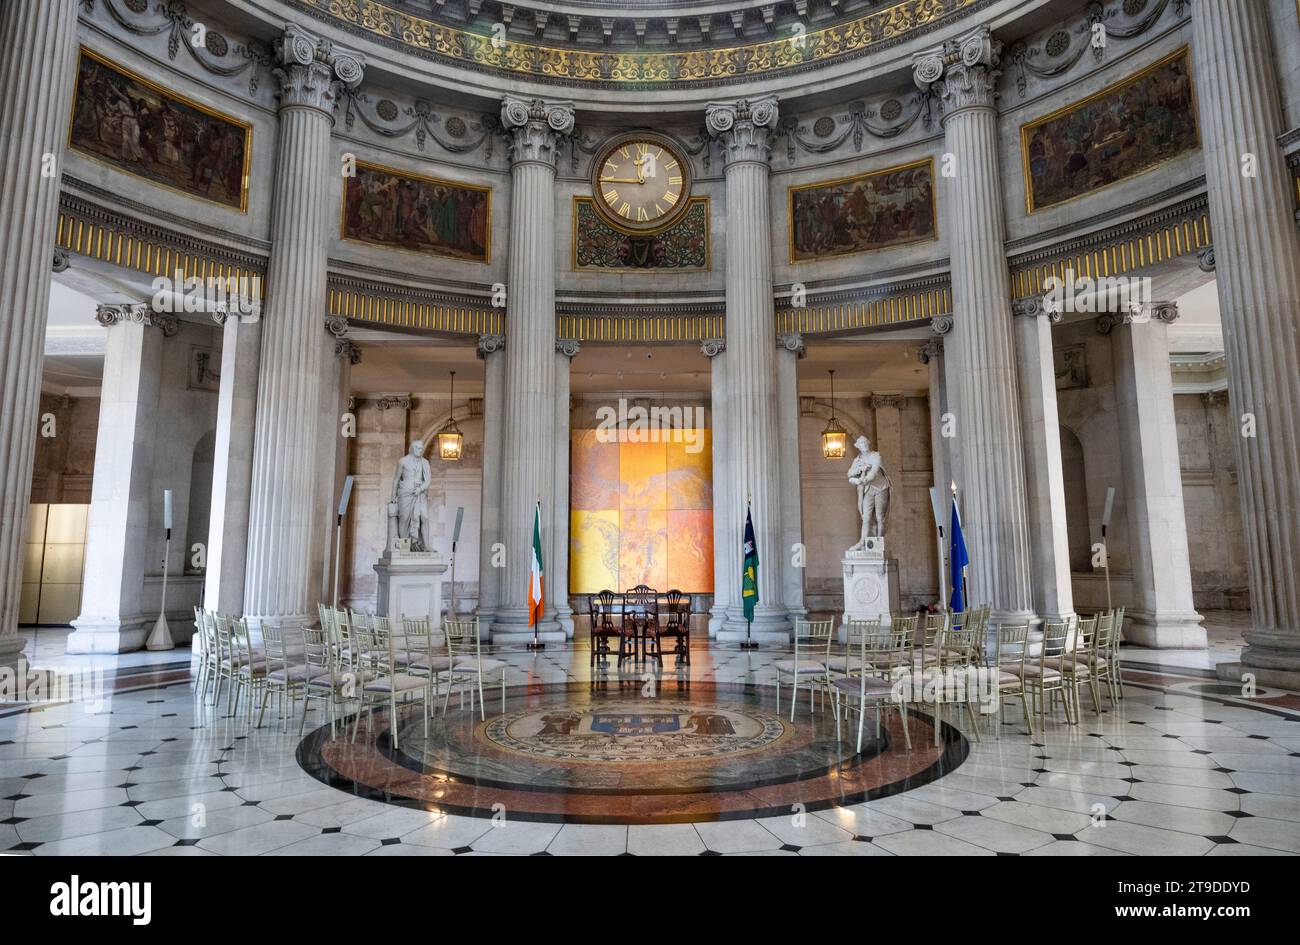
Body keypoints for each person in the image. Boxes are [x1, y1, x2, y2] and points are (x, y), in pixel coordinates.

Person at [848, 434, 891, 549]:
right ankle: (862, 542)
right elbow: (849, 473)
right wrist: (859, 469)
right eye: (862, 443)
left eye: (866, 442)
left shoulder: (876, 456)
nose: (865, 445)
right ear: (858, 446)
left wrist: (863, 480)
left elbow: (874, 472)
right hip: (867, 490)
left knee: (879, 516)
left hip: (881, 487)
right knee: (866, 517)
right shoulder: (857, 460)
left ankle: (879, 542)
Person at [390, 440, 432, 552]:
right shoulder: (403, 461)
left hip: (420, 494)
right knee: (404, 519)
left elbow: (428, 480)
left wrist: (420, 489)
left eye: (421, 448)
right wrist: (393, 496)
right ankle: (405, 547)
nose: (420, 450)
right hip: (405, 493)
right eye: (418, 448)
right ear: (412, 448)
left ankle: (426, 546)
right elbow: (396, 479)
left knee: (424, 517)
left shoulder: (425, 462)